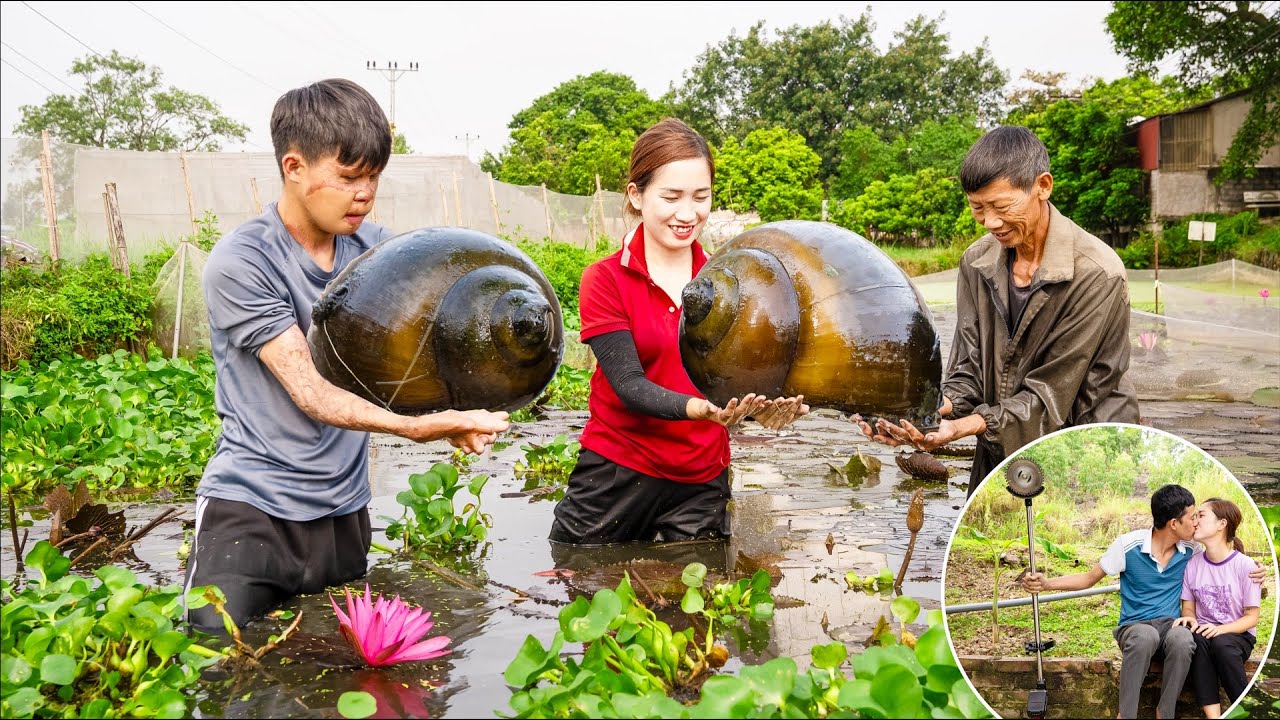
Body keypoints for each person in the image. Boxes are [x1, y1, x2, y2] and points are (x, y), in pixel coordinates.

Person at [183, 79, 510, 632]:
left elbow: (418, 348)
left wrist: (459, 400)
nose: (365, 194)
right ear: (294, 168)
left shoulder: (378, 253)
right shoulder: (243, 262)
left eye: (374, 177)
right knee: (216, 661)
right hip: (253, 508)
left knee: (339, 677)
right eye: (348, 177)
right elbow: (311, 389)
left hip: (344, 511)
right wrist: (417, 428)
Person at [548, 118, 809, 545]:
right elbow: (630, 385)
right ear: (636, 195)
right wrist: (702, 410)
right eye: (671, 197)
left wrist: (763, 408)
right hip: (615, 472)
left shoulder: (735, 281)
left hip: (702, 478)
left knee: (700, 607)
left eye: (700, 197)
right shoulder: (605, 278)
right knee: (580, 578)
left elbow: (747, 377)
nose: (687, 214)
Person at [856, 126, 1139, 494]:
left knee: (1072, 545)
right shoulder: (977, 262)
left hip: (1083, 445)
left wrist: (964, 426)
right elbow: (968, 369)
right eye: (978, 207)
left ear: (1043, 186)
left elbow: (1050, 395)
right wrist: (925, 411)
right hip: (1000, 441)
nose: (990, 222)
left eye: (1002, 207)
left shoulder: (1095, 273)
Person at [1021, 485, 1265, 719]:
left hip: (1170, 626)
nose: (1196, 522)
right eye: (1192, 517)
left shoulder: (1191, 548)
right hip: (1135, 627)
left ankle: (1165, 712)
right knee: (1145, 635)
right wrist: (1046, 583)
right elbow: (1088, 579)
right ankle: (1125, 714)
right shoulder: (1128, 545)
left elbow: (1224, 551)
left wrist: (1255, 569)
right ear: (1173, 524)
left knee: (1183, 638)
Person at [1177, 498, 1261, 718]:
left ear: (1221, 524)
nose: (1195, 521)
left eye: (1201, 515)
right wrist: (1191, 619)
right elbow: (1188, 608)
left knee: (1221, 644)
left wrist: (1220, 630)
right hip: (1205, 634)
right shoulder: (1193, 564)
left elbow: (1251, 617)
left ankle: (1243, 711)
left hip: (1237, 635)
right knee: (1200, 639)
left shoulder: (1245, 566)